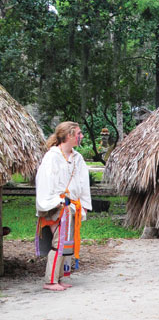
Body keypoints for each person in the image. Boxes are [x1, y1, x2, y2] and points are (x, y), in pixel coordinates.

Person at [35, 122, 92, 292]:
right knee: (58, 242)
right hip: (56, 206)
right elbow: (44, 181)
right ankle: (50, 281)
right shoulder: (52, 157)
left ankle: (58, 278)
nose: (81, 136)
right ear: (69, 135)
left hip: (71, 206)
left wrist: (84, 205)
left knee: (66, 243)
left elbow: (83, 183)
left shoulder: (77, 158)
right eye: (79, 133)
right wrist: (54, 203)